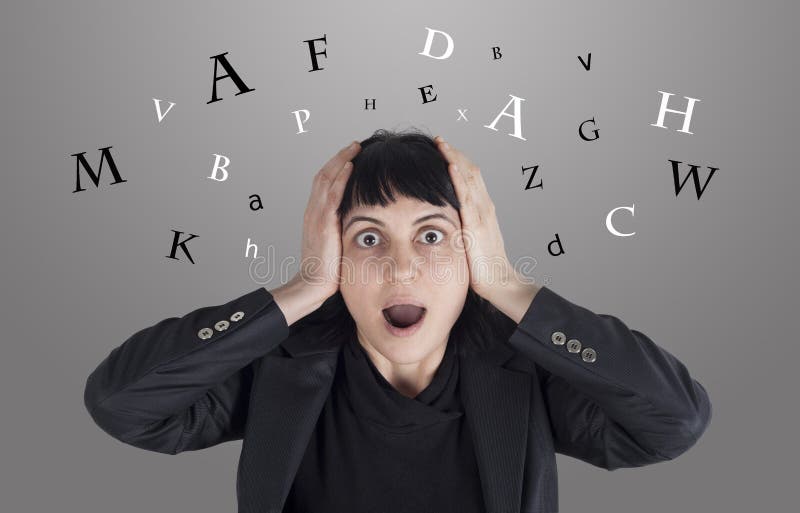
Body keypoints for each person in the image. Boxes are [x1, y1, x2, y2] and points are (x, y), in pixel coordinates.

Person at [83, 129, 712, 513]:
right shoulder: (279, 368)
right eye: (367, 239)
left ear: (475, 251)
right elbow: (122, 403)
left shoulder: (525, 372)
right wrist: (299, 291)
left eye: (433, 235)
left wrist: (509, 284)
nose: (400, 268)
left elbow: (674, 421)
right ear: (333, 259)